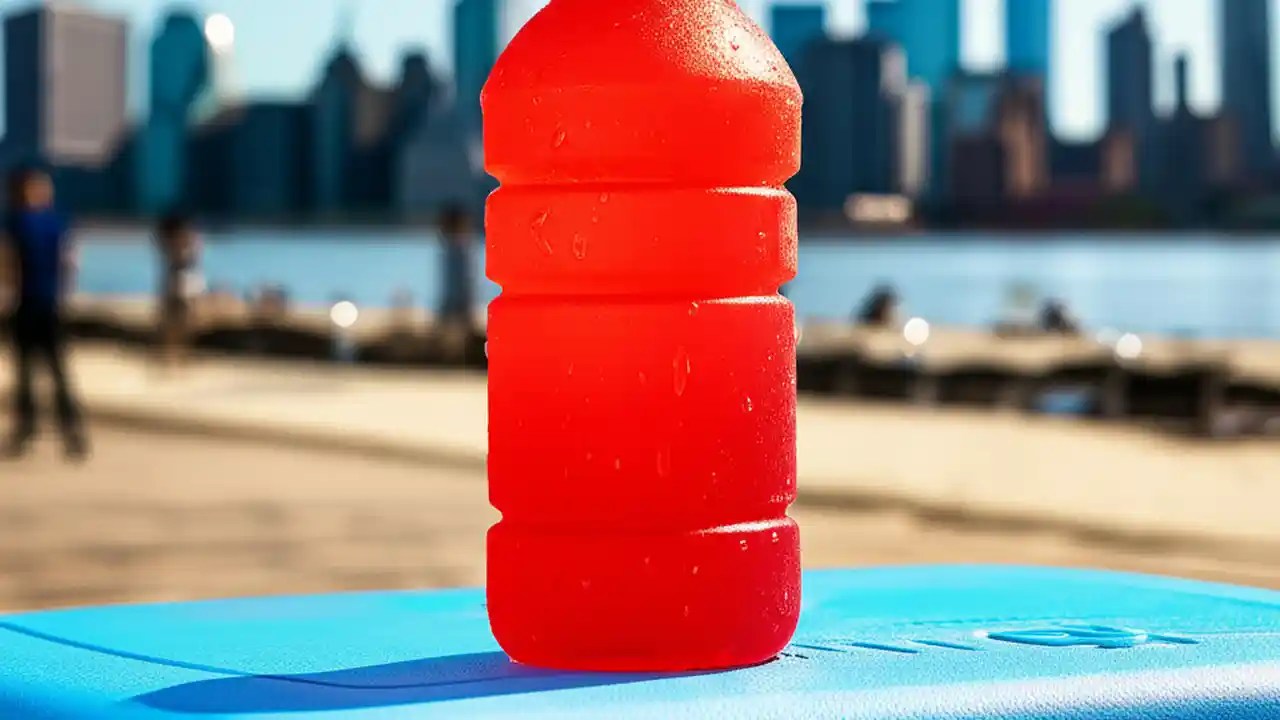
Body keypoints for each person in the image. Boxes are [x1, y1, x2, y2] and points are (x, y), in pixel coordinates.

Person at [1, 167, 87, 460]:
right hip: (39, 304)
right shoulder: (52, 221)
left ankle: (49, 430)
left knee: (43, 372)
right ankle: (61, 431)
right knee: (44, 372)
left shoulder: (23, 221)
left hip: (36, 305)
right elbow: (70, 261)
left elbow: (7, 260)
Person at [155, 212, 204, 369]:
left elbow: (192, 255)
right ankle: (172, 354)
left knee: (184, 317)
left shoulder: (187, 238)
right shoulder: (174, 239)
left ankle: (178, 354)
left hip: (183, 274)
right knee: (174, 317)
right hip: (177, 274)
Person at [438, 203, 477, 335]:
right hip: (456, 301)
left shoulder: (456, 248)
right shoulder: (456, 248)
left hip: (456, 302)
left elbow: (462, 280)